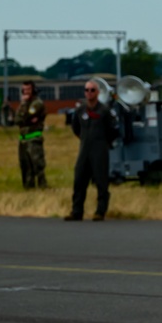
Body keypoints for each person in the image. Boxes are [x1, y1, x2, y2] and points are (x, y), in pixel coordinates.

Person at [65, 80, 117, 221]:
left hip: (100, 149)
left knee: (101, 181)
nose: (89, 93)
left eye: (92, 90)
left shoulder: (104, 111)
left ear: (98, 92)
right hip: (84, 149)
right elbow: (75, 127)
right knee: (79, 180)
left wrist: (104, 142)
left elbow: (112, 130)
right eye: (87, 90)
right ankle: (77, 211)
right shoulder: (80, 110)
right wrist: (84, 139)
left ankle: (100, 211)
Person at [14, 81, 47, 189]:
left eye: (28, 89)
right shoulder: (23, 104)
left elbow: (27, 116)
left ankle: (42, 186)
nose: (26, 92)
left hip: (34, 137)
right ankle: (28, 187)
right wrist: (23, 107)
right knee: (25, 165)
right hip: (23, 139)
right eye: (24, 90)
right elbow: (17, 119)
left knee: (37, 164)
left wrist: (25, 117)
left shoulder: (37, 103)